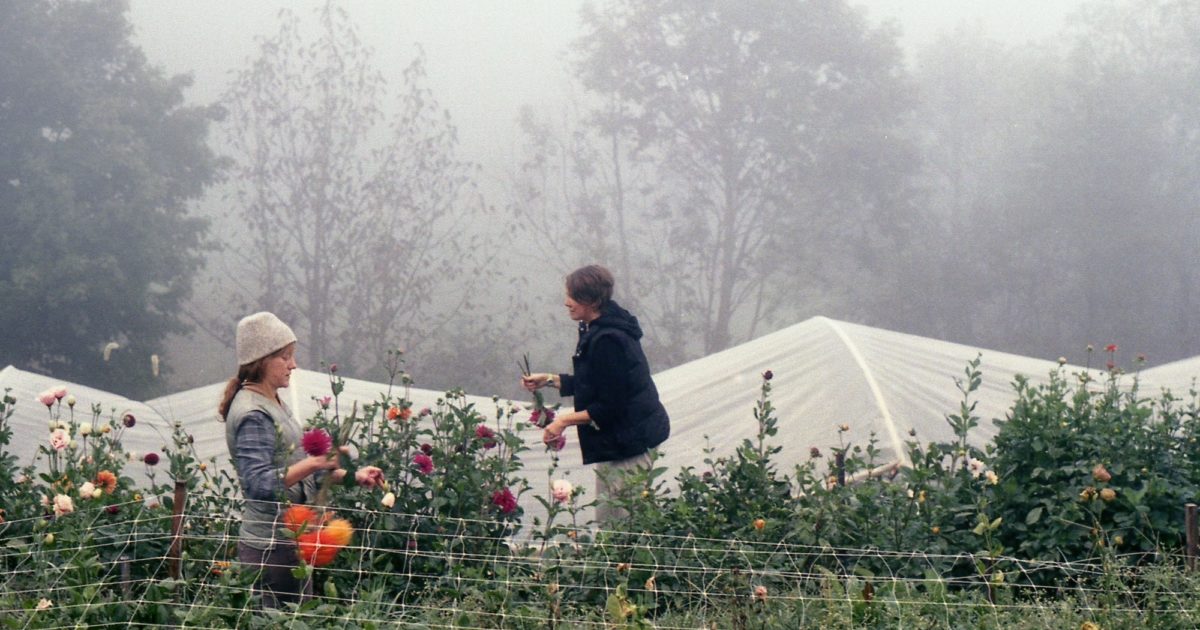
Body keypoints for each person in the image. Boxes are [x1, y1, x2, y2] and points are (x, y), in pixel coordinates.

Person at [219, 311, 382, 608]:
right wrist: (315, 462)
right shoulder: (253, 413)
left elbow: (298, 473)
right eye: (285, 357)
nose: (293, 364)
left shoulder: (272, 401)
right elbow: (259, 484)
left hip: (291, 539)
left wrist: (353, 476)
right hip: (270, 546)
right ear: (261, 360)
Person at [522, 265, 670, 524]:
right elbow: (600, 381)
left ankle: (623, 564)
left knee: (620, 526)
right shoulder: (599, 328)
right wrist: (549, 380)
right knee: (612, 519)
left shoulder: (609, 340)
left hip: (630, 444)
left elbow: (611, 404)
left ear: (591, 300)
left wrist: (562, 421)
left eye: (572, 297)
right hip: (621, 442)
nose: (566, 303)